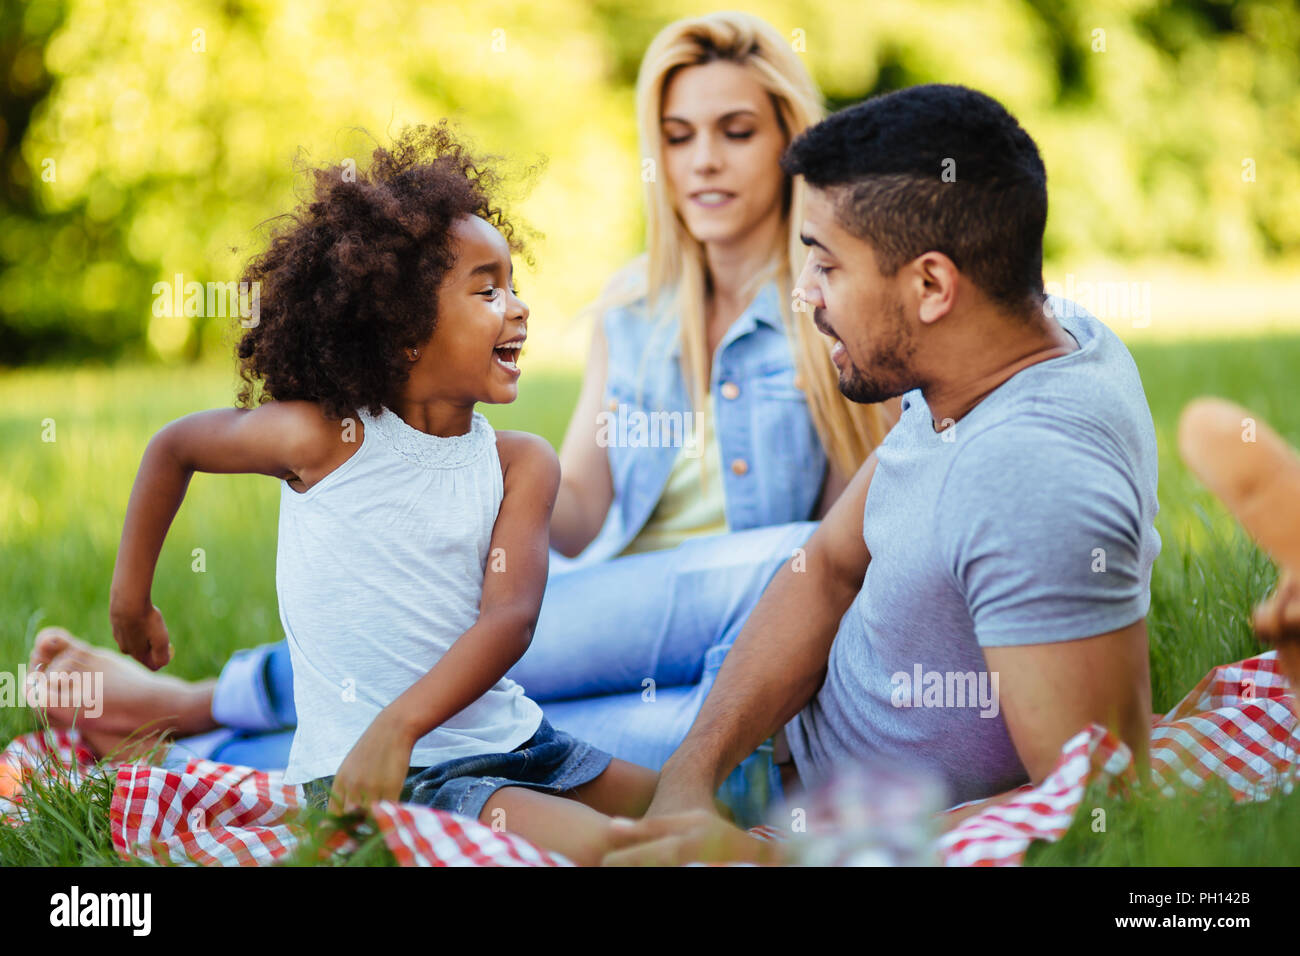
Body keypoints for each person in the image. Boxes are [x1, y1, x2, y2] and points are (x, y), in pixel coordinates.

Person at [28, 12, 892, 824]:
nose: (703, 160)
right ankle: (197, 719)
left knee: (690, 735)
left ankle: (199, 725)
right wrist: (464, 488)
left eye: (735, 132)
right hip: (623, 592)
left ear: (791, 142)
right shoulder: (634, 308)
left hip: (754, 616)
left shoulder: (839, 300)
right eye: (677, 136)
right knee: (447, 684)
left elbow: (855, 537)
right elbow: (583, 511)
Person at [604, 83, 1163, 865]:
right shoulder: (1012, 349)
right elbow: (829, 567)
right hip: (762, 703)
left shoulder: (1028, 481)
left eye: (826, 267)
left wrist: (765, 854)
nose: (805, 298)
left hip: (805, 796)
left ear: (932, 286)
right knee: (464, 687)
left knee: (461, 761)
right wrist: (689, 775)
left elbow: (1094, 806)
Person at [104, 124, 661, 865]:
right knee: (615, 849)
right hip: (392, 778)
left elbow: (512, 618)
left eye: (515, 284)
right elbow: (175, 448)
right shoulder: (325, 440)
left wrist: (400, 720)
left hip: (518, 743)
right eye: (487, 289)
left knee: (685, 801)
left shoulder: (522, 463)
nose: (519, 307)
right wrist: (130, 598)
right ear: (404, 332)